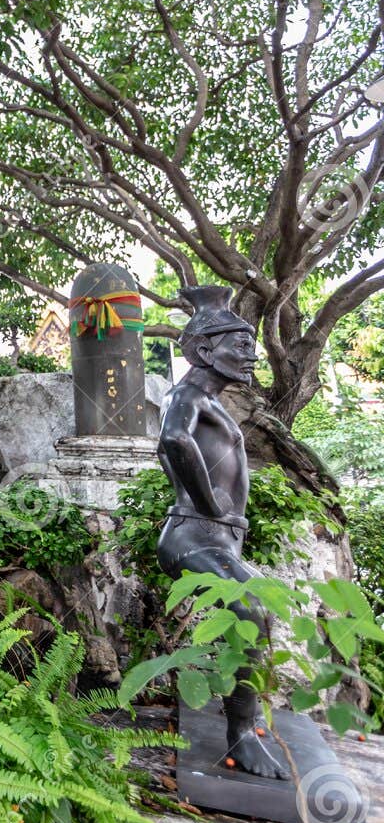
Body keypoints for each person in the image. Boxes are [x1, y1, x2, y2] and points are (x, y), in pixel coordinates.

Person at [156, 284, 287, 779]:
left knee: (255, 612)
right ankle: (241, 735)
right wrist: (210, 503)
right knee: (247, 607)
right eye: (241, 346)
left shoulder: (210, 400)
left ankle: (241, 716)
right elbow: (172, 439)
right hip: (193, 534)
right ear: (207, 349)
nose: (251, 356)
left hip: (213, 534)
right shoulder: (187, 393)